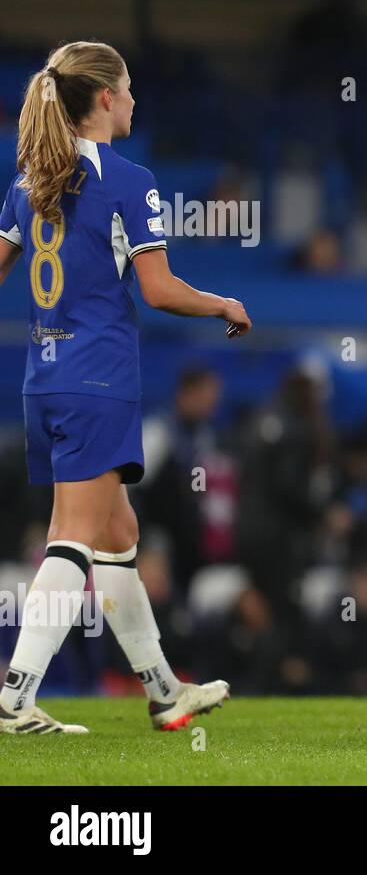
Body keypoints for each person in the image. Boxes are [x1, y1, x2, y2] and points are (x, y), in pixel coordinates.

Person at [0, 41, 251, 734]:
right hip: (99, 380)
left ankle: (165, 690)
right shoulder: (126, 179)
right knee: (72, 539)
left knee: (116, 536)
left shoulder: (28, 183)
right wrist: (223, 303)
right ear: (105, 99)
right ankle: (16, 696)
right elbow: (160, 289)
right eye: (130, 89)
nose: (135, 101)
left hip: (43, 379)